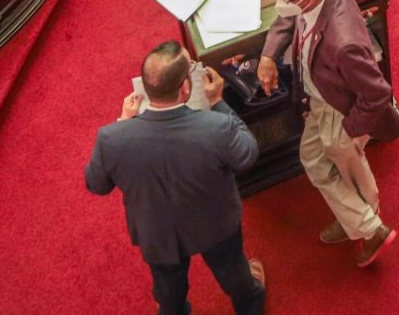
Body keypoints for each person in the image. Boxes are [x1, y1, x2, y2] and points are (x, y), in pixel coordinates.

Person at [84, 42, 266, 315]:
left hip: (158, 232)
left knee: (168, 291)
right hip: (214, 224)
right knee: (234, 272)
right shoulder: (216, 127)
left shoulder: (112, 138)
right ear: (185, 87)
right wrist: (218, 102)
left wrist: (123, 121)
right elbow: (247, 154)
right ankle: (249, 304)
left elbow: (95, 184)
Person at [257, 0, 399, 267]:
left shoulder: (344, 42)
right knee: (313, 158)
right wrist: (269, 55)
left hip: (340, 108)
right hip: (320, 99)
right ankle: (362, 222)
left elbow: (378, 93)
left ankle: (370, 228)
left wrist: (352, 131)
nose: (279, 2)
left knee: (349, 170)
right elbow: (288, 16)